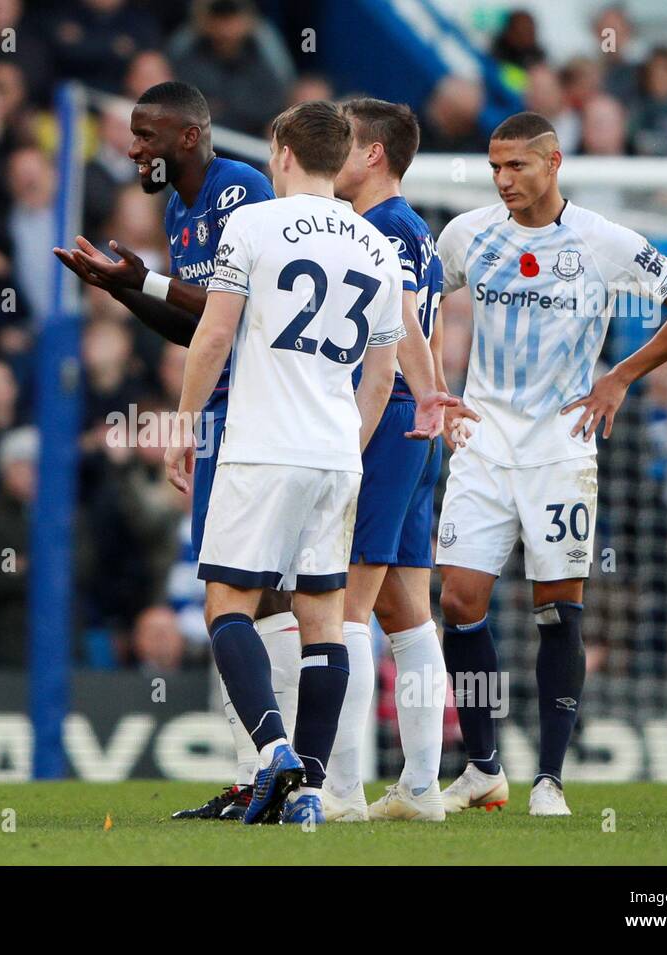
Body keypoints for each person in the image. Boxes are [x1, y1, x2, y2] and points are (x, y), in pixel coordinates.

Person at [434, 112, 667, 816]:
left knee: (558, 609)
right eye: (494, 166)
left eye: (516, 167)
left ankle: (550, 779)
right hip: (483, 438)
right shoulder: (467, 235)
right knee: (459, 600)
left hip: (562, 445)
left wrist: (619, 376)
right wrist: (432, 384)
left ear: (553, 163)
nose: (502, 180)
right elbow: (419, 300)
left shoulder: (604, 241)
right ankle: (482, 766)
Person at [163, 100, 407, 825]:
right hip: (337, 453)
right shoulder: (375, 245)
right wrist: (348, 448)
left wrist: (183, 422)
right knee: (323, 621)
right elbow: (384, 377)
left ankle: (275, 754)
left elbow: (213, 336)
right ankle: (312, 788)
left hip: (263, 445)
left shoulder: (254, 223)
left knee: (226, 605)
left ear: (281, 150)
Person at [52, 80, 289, 821]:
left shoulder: (239, 189)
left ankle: (280, 766)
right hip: (223, 413)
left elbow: (234, 306)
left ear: (189, 135)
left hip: (257, 413)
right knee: (250, 594)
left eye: (146, 134)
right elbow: (192, 330)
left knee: (248, 593)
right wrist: (118, 290)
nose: (133, 149)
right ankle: (267, 771)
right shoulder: (179, 207)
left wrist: (144, 277)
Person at [330, 97, 466, 823]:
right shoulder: (419, 231)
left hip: (384, 419)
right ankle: (420, 785)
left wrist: (387, 419)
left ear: (374, 153)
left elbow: (405, 324)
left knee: (346, 604)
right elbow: (431, 335)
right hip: (418, 421)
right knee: (407, 612)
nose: (334, 155)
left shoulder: (383, 228)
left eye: (344, 143)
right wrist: (438, 403)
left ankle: (343, 789)